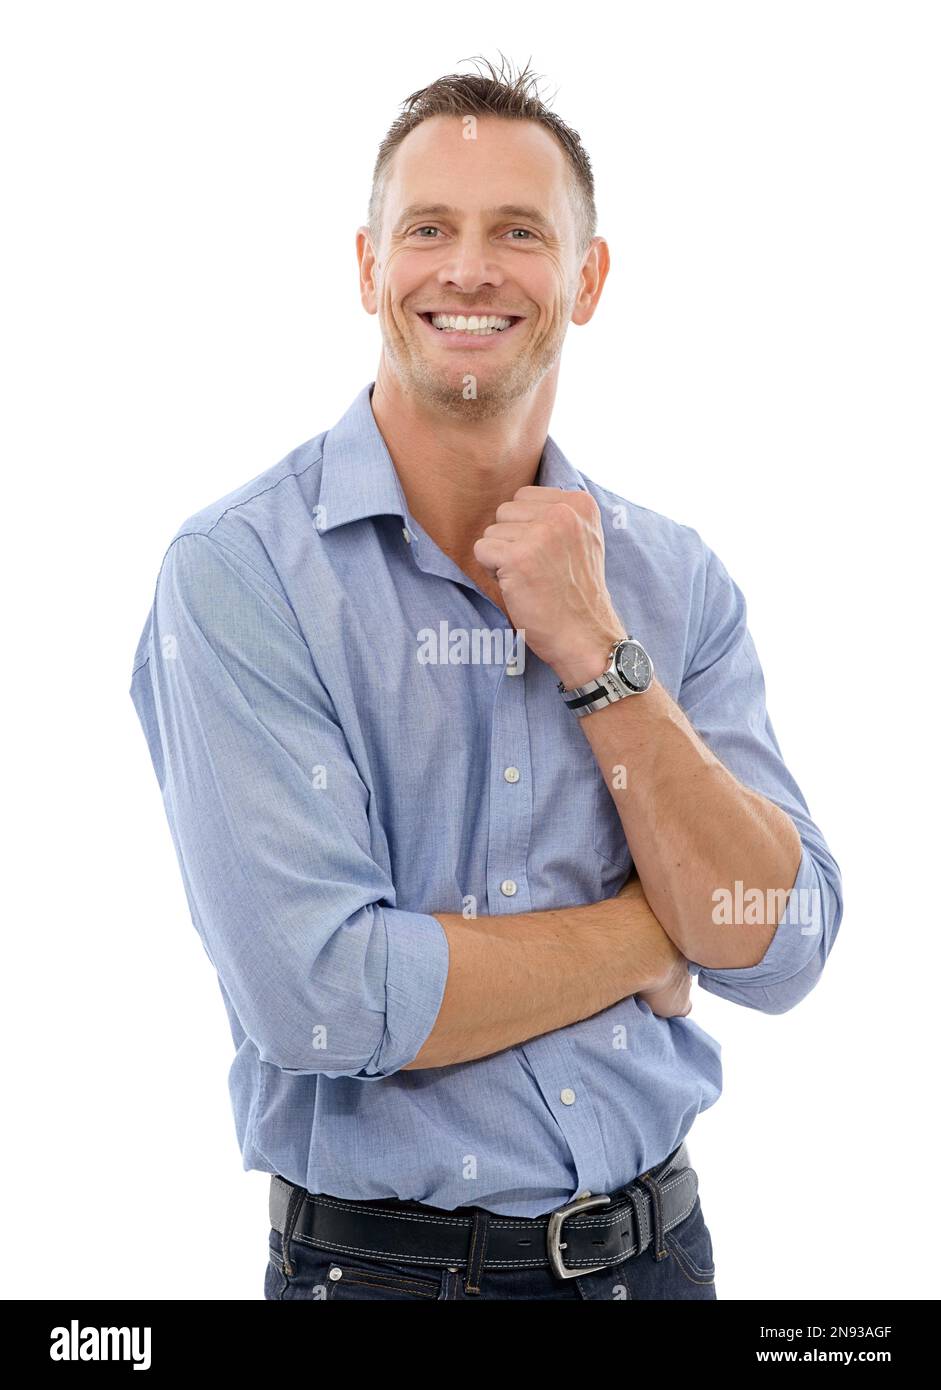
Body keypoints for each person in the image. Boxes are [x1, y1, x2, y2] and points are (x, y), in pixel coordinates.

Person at [128, 56, 842, 1302]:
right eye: (428, 229)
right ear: (366, 268)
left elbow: (774, 944)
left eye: (518, 231)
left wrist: (598, 655)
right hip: (378, 1277)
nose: (468, 269)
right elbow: (325, 1003)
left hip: (659, 1262)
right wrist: (645, 935)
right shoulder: (238, 574)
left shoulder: (671, 584)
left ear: (585, 277)